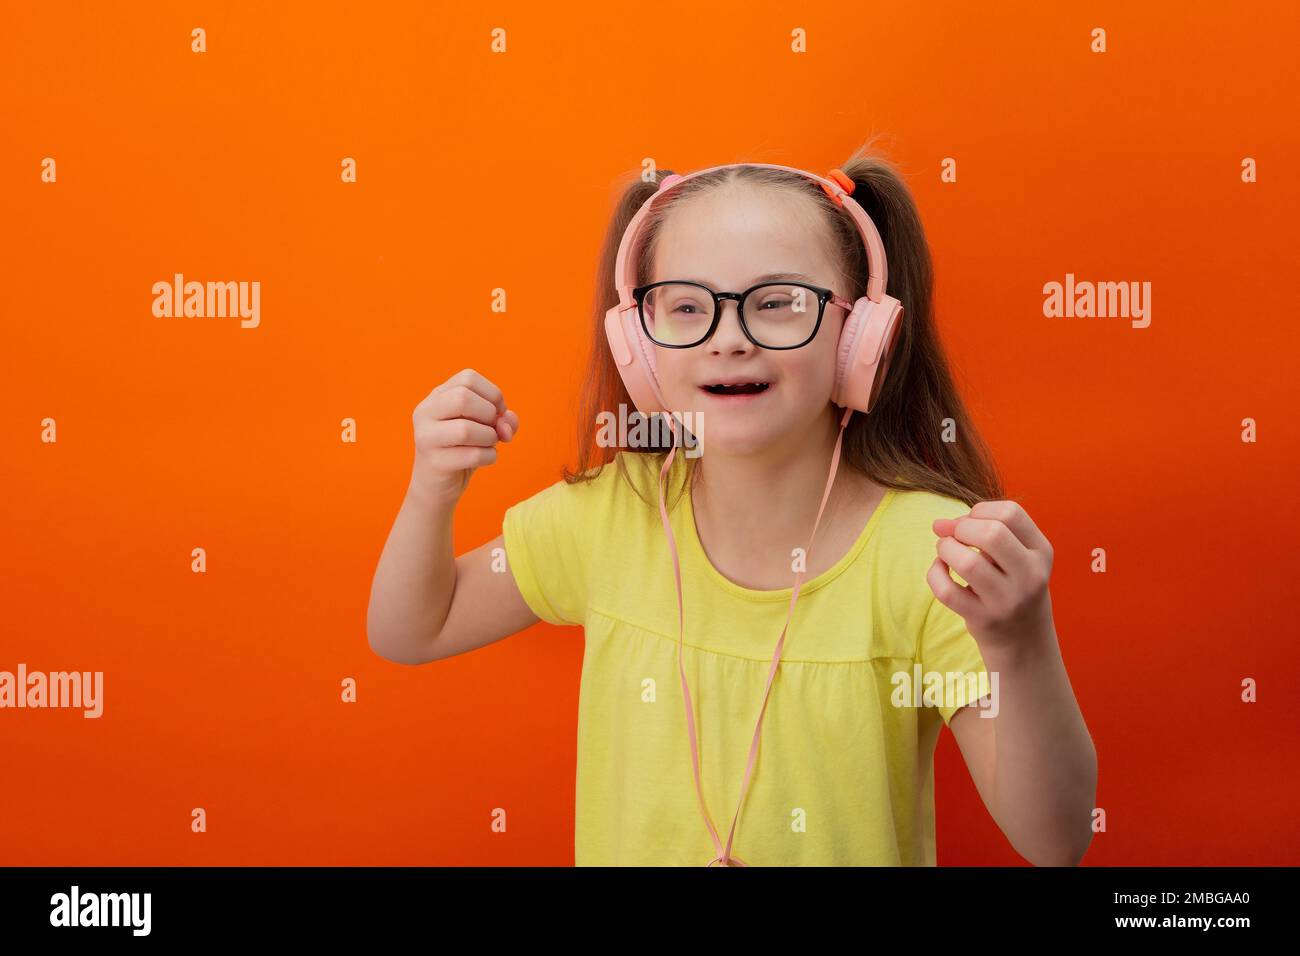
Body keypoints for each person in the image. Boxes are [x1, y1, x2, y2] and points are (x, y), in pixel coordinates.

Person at [367, 145, 1097, 867]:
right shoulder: (607, 519)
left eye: (777, 303)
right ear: (638, 344)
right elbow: (411, 630)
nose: (729, 338)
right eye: (686, 306)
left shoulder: (928, 555)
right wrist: (433, 487)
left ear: (859, 335)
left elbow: (1055, 839)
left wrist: (1018, 643)